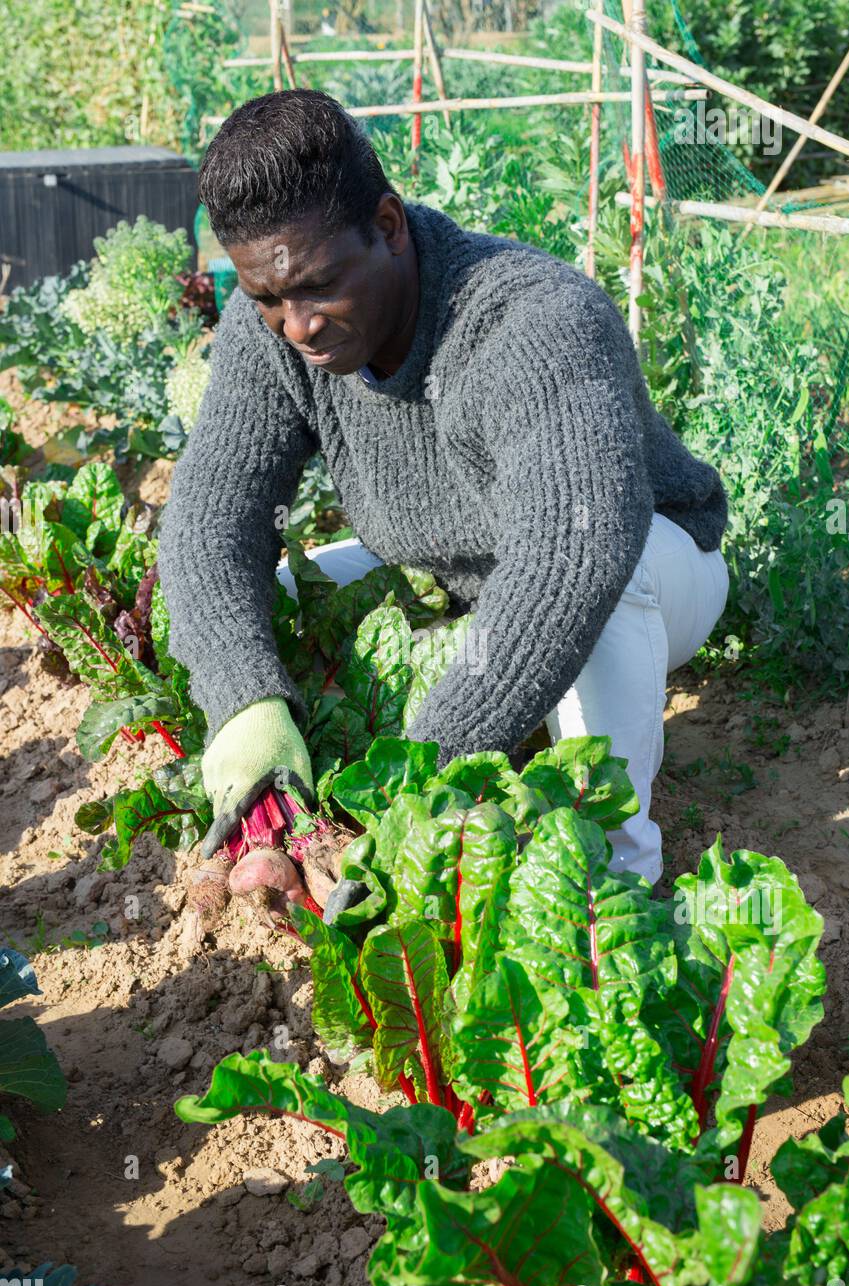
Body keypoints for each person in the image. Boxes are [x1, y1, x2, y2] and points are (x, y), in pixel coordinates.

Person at [159, 88, 729, 889]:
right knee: (263, 604)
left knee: (608, 573)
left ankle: (611, 880)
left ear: (388, 227)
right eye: (266, 299)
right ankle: (303, 830)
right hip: (461, 579)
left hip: (654, 571)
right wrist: (245, 703)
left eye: (316, 286)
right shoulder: (278, 334)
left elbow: (572, 559)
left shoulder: (531, 321)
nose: (298, 326)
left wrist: (418, 780)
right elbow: (211, 524)